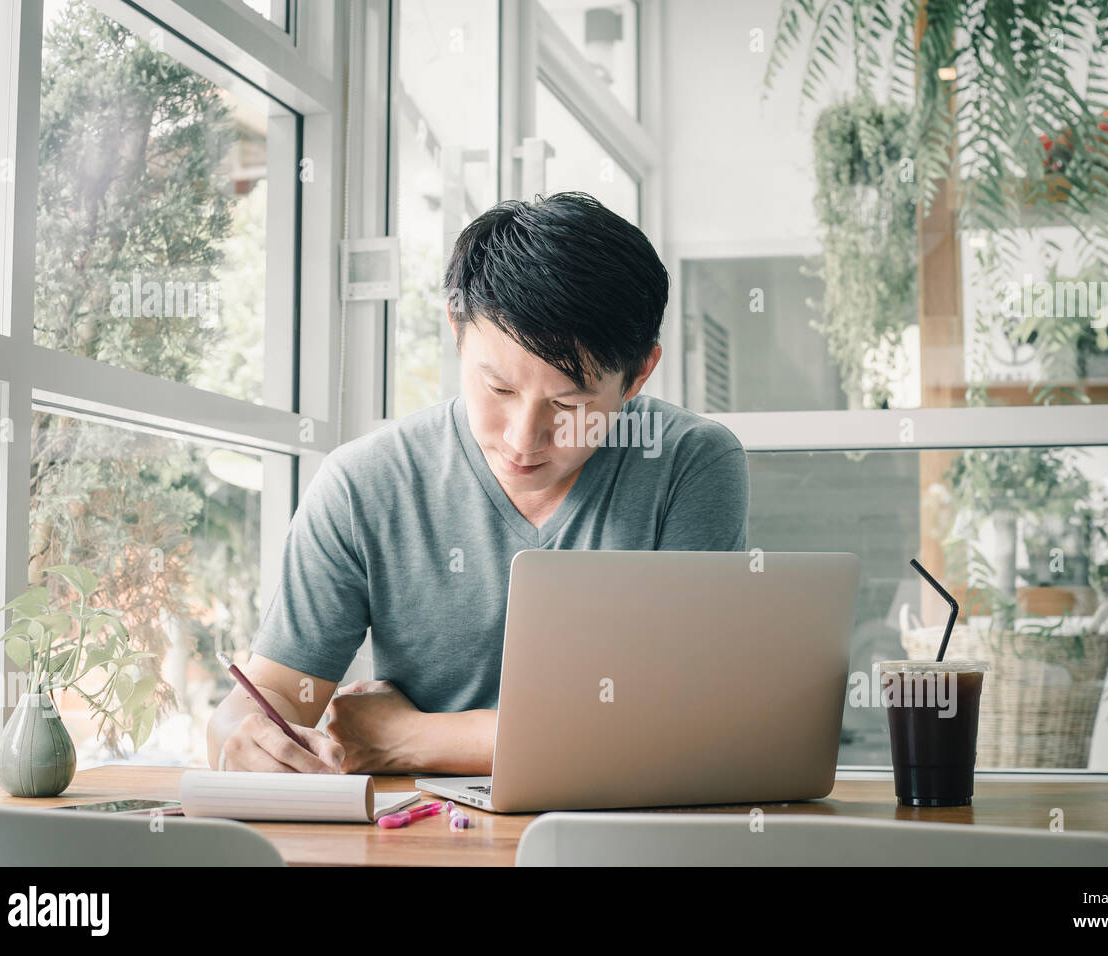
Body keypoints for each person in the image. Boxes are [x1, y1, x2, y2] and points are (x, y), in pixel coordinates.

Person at [208, 192, 749, 774]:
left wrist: (406, 738)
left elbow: (687, 721)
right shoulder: (362, 484)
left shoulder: (689, 463)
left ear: (639, 373)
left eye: (569, 404)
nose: (523, 438)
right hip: (414, 841)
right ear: (456, 329)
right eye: (499, 390)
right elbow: (274, 699)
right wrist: (241, 738)